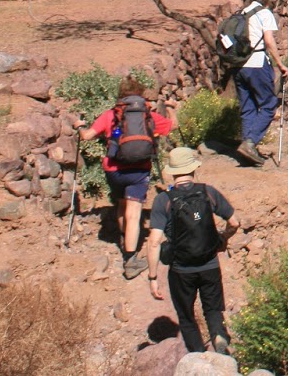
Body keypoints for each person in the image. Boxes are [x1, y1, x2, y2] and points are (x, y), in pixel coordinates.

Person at [77, 77, 175, 279]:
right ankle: (130, 260)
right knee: (134, 213)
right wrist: (171, 107)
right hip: (139, 170)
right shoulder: (148, 116)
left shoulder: (111, 115)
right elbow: (173, 125)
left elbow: (87, 136)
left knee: (121, 204)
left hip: (114, 170)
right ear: (140, 95)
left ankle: (123, 240)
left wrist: (79, 126)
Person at [147, 146, 241, 356]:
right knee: (213, 309)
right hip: (210, 264)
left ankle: (198, 355)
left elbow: (154, 242)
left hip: (181, 270)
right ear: (193, 168)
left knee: (187, 316)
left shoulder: (164, 200)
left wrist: (153, 277)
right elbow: (234, 222)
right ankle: (219, 336)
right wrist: (223, 239)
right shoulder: (208, 192)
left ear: (172, 172)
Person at [231, 0, 288, 166]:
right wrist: (280, 64)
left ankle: (247, 148)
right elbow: (269, 41)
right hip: (256, 64)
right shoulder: (264, 13)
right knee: (269, 105)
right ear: (269, 1)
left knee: (248, 107)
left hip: (238, 66)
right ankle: (250, 143)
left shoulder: (241, 13)